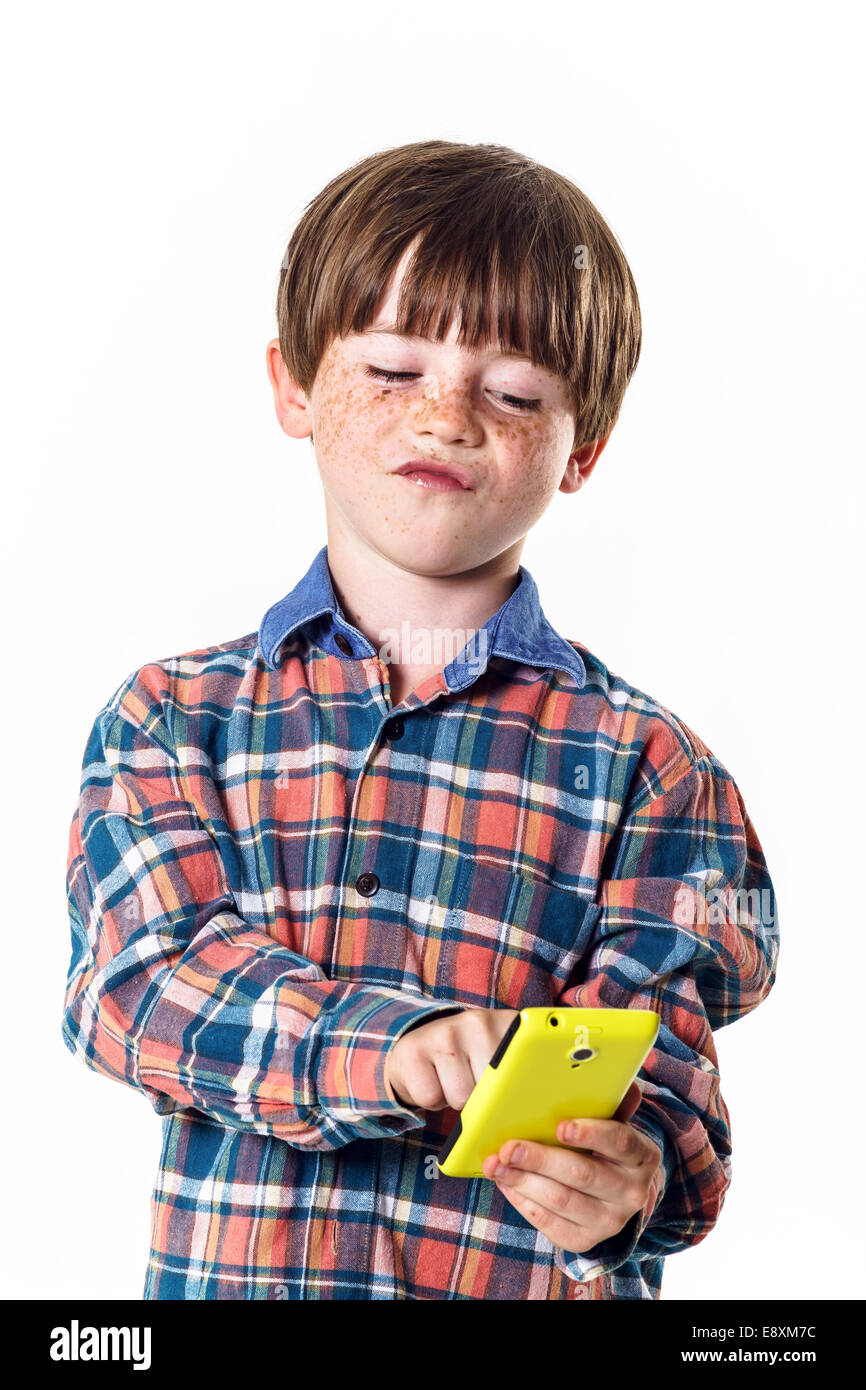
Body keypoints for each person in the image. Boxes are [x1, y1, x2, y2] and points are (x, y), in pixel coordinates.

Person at [62, 139, 778, 1301]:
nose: (444, 416)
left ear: (580, 445)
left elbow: (669, 1065)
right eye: (392, 369)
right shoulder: (170, 720)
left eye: (512, 393)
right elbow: (142, 986)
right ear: (292, 385)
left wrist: (632, 1176)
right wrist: (394, 1049)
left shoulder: (653, 770)